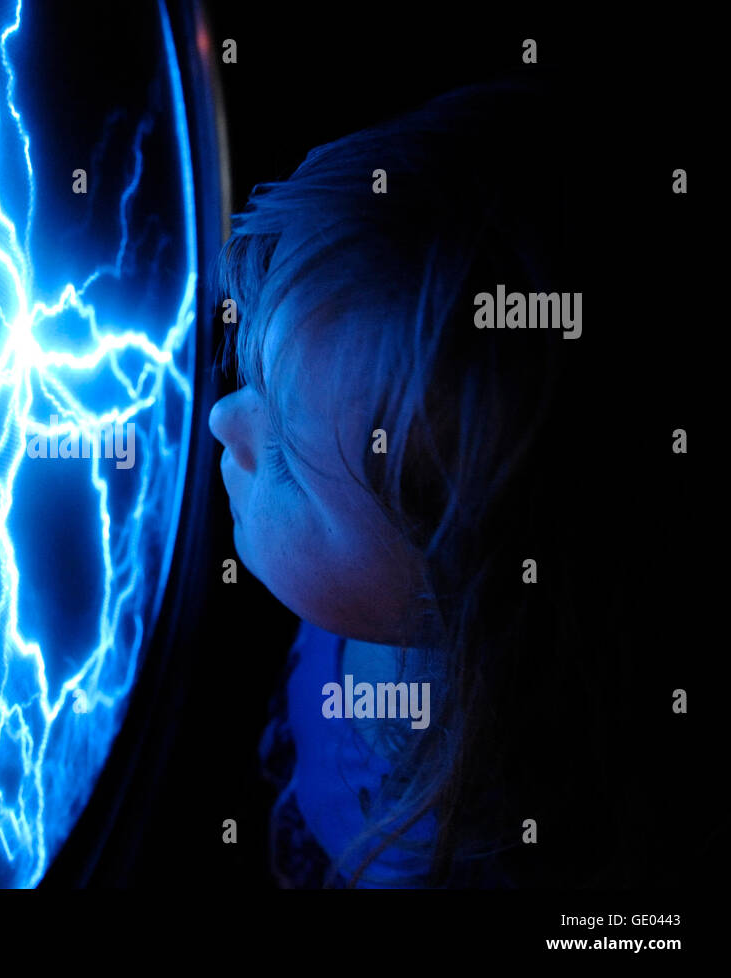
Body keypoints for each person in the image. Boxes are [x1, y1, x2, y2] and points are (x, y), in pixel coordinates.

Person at [207, 76, 650, 887]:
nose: (224, 423)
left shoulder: (464, 860)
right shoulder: (388, 597)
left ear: (463, 589)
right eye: (257, 384)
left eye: (290, 468)